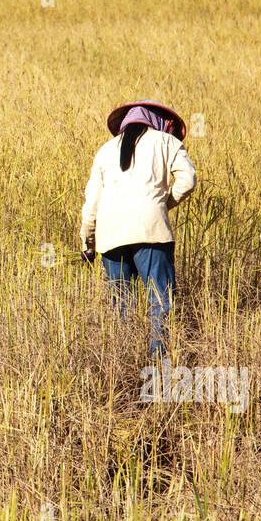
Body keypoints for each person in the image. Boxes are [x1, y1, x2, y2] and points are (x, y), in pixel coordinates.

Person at [80, 100, 196, 357]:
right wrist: (163, 204)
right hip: (151, 232)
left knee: (121, 306)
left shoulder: (104, 150)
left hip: (110, 236)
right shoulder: (168, 143)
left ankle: (124, 363)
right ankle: (157, 365)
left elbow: (91, 205)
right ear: (158, 121)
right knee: (160, 302)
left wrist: (87, 246)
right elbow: (187, 180)